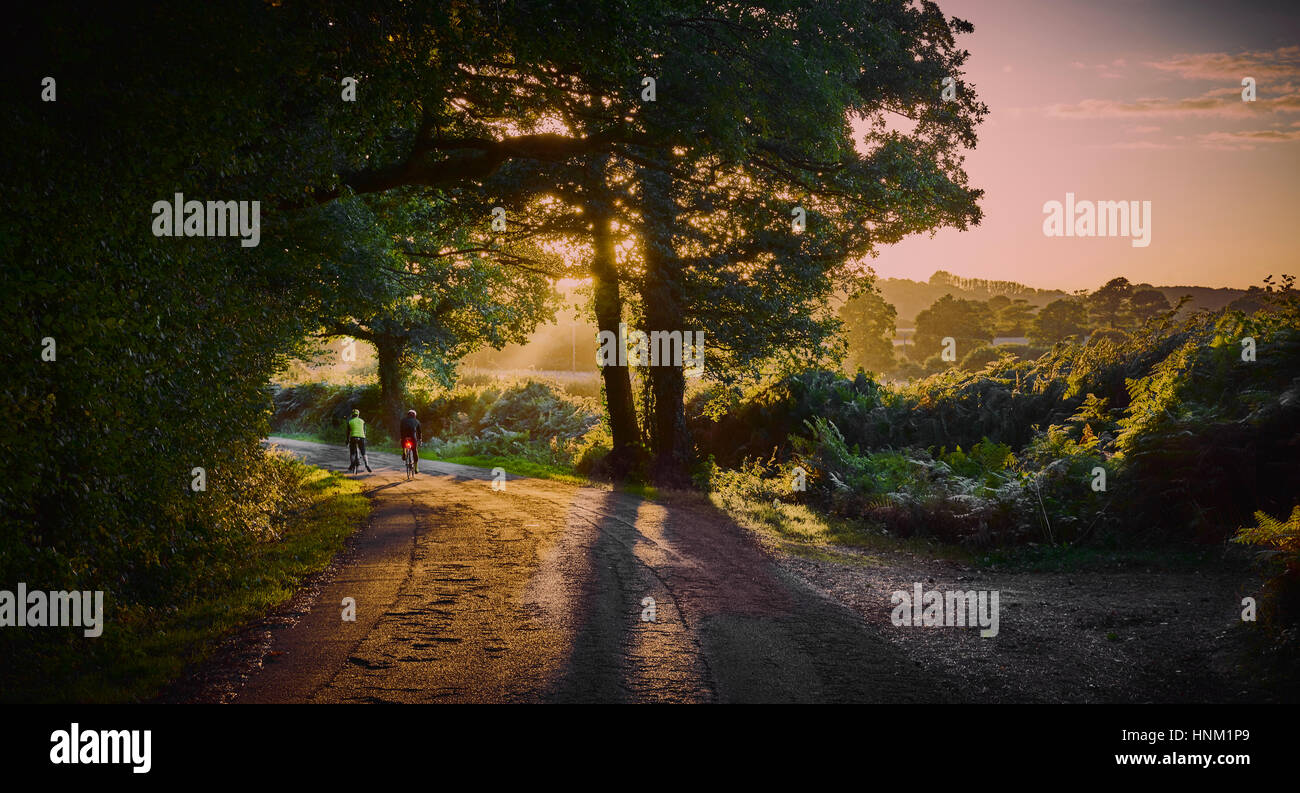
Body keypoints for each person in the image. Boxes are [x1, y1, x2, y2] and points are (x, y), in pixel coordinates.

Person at [346, 408, 372, 473]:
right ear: (358, 414)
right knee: (363, 452)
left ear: (352, 415)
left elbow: (348, 432)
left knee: (352, 453)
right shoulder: (362, 421)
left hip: (353, 437)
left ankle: (352, 465)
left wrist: (347, 440)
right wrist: (364, 437)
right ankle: (367, 465)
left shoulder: (350, 421)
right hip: (361, 437)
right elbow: (364, 431)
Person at [399, 409, 422, 474]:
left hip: (404, 437)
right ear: (415, 415)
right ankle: (416, 468)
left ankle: (404, 451)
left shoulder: (403, 420)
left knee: (403, 442)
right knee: (414, 451)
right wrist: (420, 440)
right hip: (413, 438)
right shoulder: (416, 421)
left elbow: (401, 430)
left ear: (407, 415)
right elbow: (419, 432)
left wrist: (401, 438)